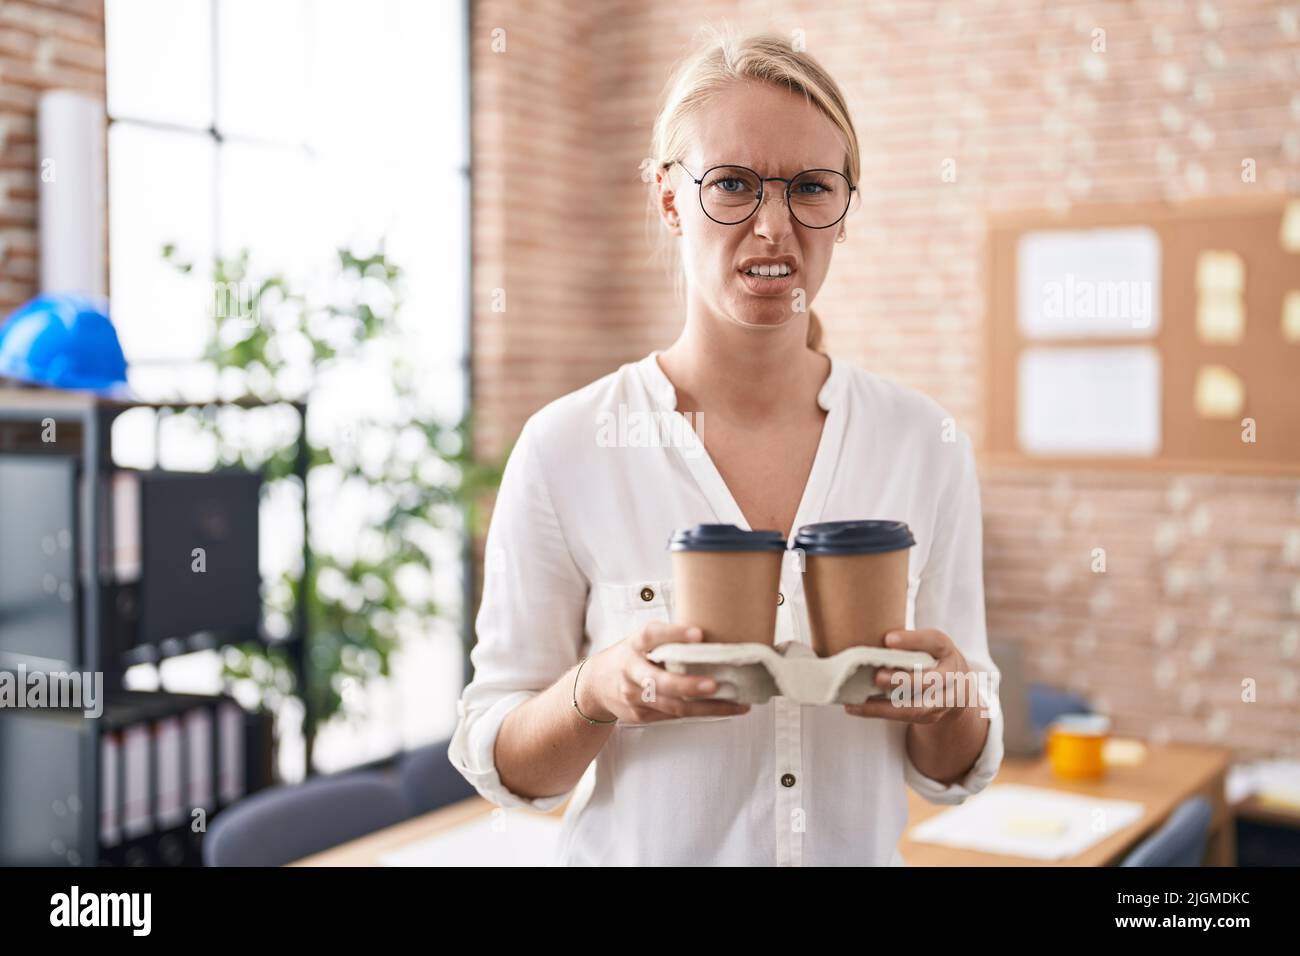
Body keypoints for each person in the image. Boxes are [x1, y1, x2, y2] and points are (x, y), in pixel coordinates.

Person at [449, 28, 1003, 865]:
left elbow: (953, 769)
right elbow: (504, 760)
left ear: (844, 209)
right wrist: (596, 693)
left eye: (811, 188)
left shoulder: (925, 445)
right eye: (733, 185)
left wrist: (948, 698)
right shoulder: (566, 447)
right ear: (671, 200)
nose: (774, 227)